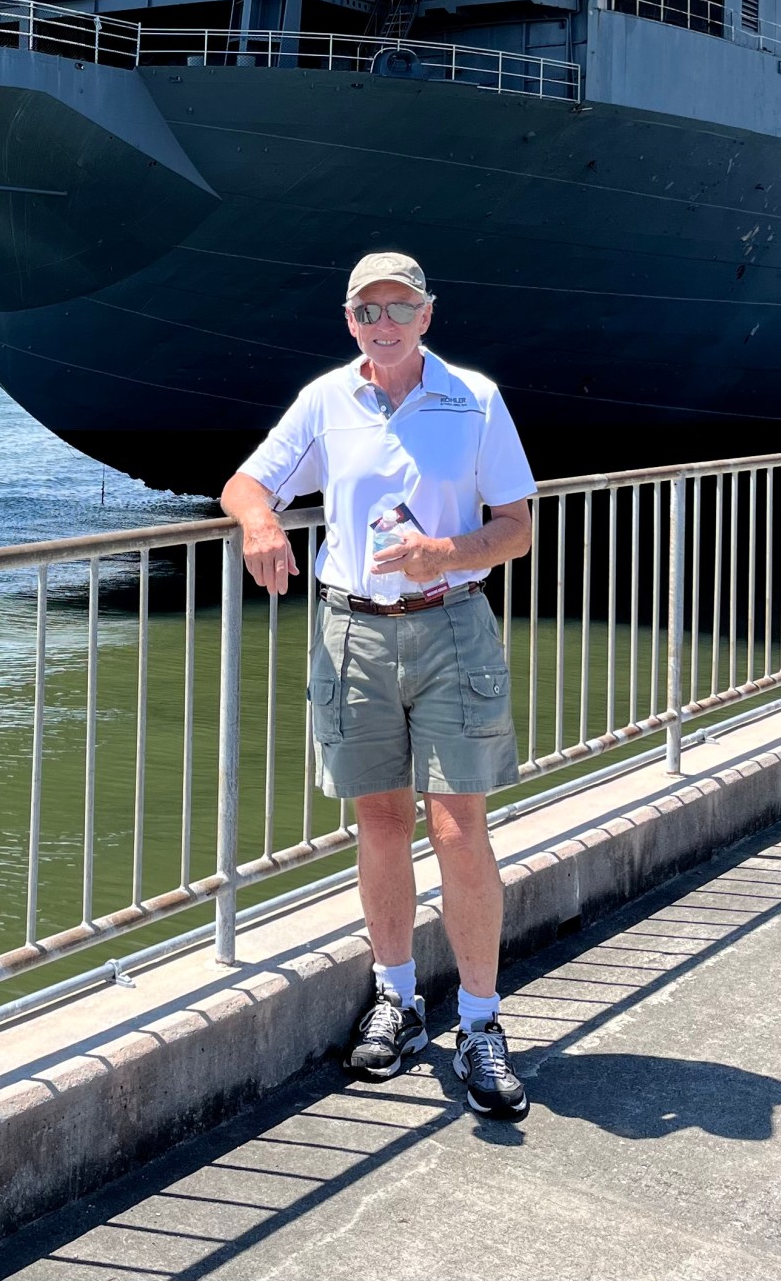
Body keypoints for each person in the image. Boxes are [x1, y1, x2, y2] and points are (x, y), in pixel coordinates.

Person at [219, 253, 535, 1120]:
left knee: (458, 828)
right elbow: (245, 482)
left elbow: (517, 526)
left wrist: (444, 553)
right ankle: (398, 998)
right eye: (368, 311)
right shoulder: (327, 400)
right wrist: (259, 522)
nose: (383, 324)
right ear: (349, 320)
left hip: (451, 624)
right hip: (352, 630)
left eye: (399, 308)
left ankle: (481, 1021)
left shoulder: (474, 399)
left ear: (428, 316)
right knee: (382, 821)